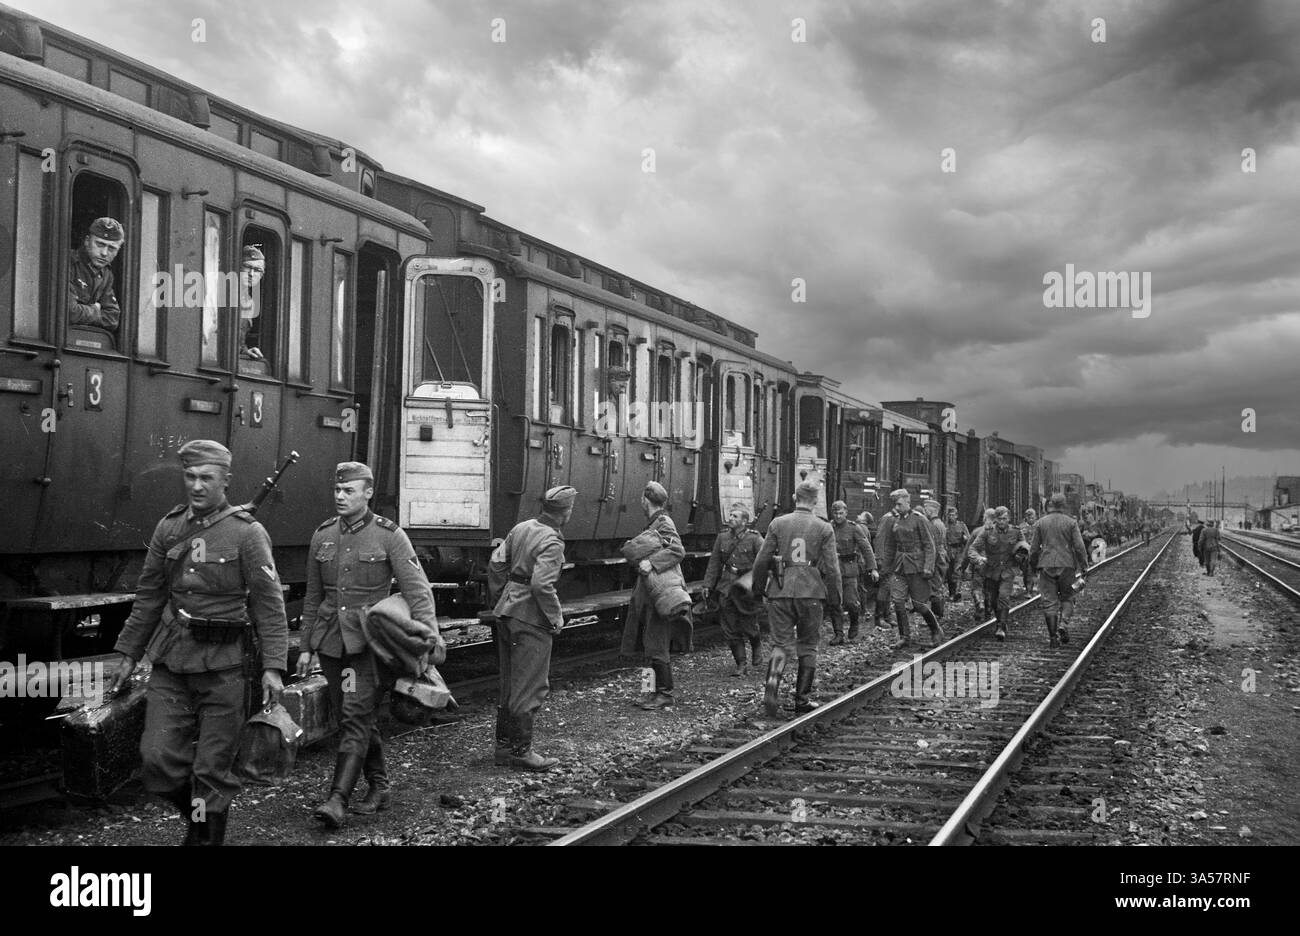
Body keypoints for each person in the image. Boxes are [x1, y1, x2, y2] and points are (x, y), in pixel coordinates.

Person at [105, 440, 287, 845]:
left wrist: (274, 666)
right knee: (157, 761)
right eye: (190, 476)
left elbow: (269, 604)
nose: (197, 486)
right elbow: (149, 595)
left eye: (207, 477)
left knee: (211, 769)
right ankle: (202, 818)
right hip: (172, 661)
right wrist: (127, 654)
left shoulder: (248, 534)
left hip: (225, 667)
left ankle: (203, 836)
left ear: (226, 480)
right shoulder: (169, 527)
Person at [297, 462, 443, 826]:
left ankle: (337, 799)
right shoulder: (323, 535)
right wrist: (304, 647)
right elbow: (313, 597)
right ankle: (379, 785)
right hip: (332, 643)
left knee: (354, 716)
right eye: (337, 490)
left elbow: (417, 590)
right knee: (353, 717)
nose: (341, 496)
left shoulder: (389, 535)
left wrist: (429, 637)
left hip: (370, 644)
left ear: (368, 493)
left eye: (349, 491)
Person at [487, 485, 576, 769]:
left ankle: (503, 747)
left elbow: (496, 563)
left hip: (507, 611)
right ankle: (521, 751)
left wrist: (501, 597)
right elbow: (541, 584)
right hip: (531, 618)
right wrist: (555, 616)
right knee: (530, 684)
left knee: (509, 682)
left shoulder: (522, 528)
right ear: (567, 512)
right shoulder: (552, 541)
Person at [752, 481, 840, 716]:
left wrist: (759, 589)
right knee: (808, 645)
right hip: (811, 592)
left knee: (780, 644)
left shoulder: (778, 523)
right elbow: (832, 568)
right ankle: (802, 699)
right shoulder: (824, 528)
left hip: (780, 591)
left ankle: (771, 690)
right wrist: (836, 599)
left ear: (794, 497)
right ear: (815, 501)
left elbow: (761, 560)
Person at [620, 481, 688, 710]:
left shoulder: (663, 522)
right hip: (648, 593)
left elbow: (678, 550)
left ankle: (665, 694)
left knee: (657, 645)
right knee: (648, 647)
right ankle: (648, 692)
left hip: (660, 595)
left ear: (645, 501)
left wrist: (652, 562)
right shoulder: (655, 521)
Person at [702, 505, 765, 675]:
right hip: (727, 586)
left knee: (748, 624)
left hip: (746, 588)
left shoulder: (755, 539)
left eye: (735, 516)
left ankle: (756, 643)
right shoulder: (722, 538)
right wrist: (708, 585)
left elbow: (765, 562)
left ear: (745, 521)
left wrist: (759, 585)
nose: (731, 518)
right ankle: (741, 664)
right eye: (730, 515)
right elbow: (714, 563)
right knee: (729, 628)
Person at [875, 489, 942, 647]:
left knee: (919, 604)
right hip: (900, 567)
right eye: (895, 504)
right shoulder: (894, 521)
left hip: (917, 567)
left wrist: (928, 567)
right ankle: (905, 636)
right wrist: (885, 568)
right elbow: (891, 546)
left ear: (907, 502)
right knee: (898, 601)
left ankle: (935, 630)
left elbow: (929, 545)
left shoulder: (920, 519)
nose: (896, 507)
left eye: (899, 504)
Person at [1029, 493, 1089, 647]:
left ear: (1050, 505)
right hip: (1067, 565)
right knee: (1068, 597)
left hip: (1046, 565)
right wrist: (1084, 565)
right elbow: (1080, 547)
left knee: (1049, 602)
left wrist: (1033, 566)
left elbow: (1034, 549)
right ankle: (1063, 625)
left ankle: (1053, 638)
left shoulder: (1041, 523)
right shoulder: (1071, 523)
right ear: (1064, 506)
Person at [967, 506, 1029, 641]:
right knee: (993, 600)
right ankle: (999, 620)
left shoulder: (1016, 532)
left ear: (1009, 519)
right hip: (991, 570)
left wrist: (1021, 556)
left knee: (1004, 596)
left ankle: (1001, 626)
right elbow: (972, 548)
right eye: (999, 519)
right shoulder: (987, 532)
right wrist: (978, 559)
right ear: (995, 519)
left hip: (1008, 570)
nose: (1002, 522)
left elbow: (1024, 547)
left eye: (1005, 519)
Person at [828, 500, 878, 644]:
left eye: (841, 513)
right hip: (833, 569)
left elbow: (866, 548)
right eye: (835, 513)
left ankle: (854, 623)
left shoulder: (854, 528)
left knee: (851, 602)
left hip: (849, 569)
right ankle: (838, 634)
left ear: (846, 513)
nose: (838, 516)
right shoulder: (828, 528)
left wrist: (873, 568)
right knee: (834, 603)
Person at [69, 217, 124, 332]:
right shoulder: (69, 263)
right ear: (87, 241)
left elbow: (112, 318)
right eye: (100, 244)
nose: (104, 253)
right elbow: (70, 311)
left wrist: (86, 312)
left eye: (112, 248)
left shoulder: (106, 275)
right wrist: (95, 310)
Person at [962, 508, 996, 615]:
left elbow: (968, 549)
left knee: (976, 586)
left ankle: (979, 602)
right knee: (989, 588)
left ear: (985, 518)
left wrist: (963, 566)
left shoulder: (977, 531)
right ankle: (988, 609)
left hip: (979, 564)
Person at [237, 245, 267, 362]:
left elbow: (239, 342)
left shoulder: (249, 303)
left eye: (258, 270)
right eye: (248, 267)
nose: (252, 274)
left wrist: (246, 351)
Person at [923, 500, 948, 621]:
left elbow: (932, 545)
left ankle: (936, 615)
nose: (925, 511)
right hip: (941, 555)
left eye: (926, 509)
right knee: (939, 584)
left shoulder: (932, 525)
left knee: (934, 586)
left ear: (932, 510)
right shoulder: (940, 523)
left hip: (936, 557)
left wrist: (929, 564)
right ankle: (939, 613)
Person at [944, 507, 970, 602]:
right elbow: (944, 539)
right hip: (949, 550)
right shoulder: (945, 526)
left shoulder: (962, 525)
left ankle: (957, 593)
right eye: (950, 515)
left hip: (959, 550)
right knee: (949, 572)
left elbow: (968, 537)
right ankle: (951, 593)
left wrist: (965, 538)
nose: (951, 517)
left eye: (953, 515)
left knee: (957, 571)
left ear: (956, 516)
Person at [1019, 509, 1038, 594]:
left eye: (1032, 517)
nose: (1031, 519)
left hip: (1035, 553)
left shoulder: (1038, 526)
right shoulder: (1021, 527)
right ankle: (1027, 587)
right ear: (1026, 518)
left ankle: (1029, 590)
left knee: (1031, 571)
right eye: (1029, 517)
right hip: (1024, 553)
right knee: (1025, 571)